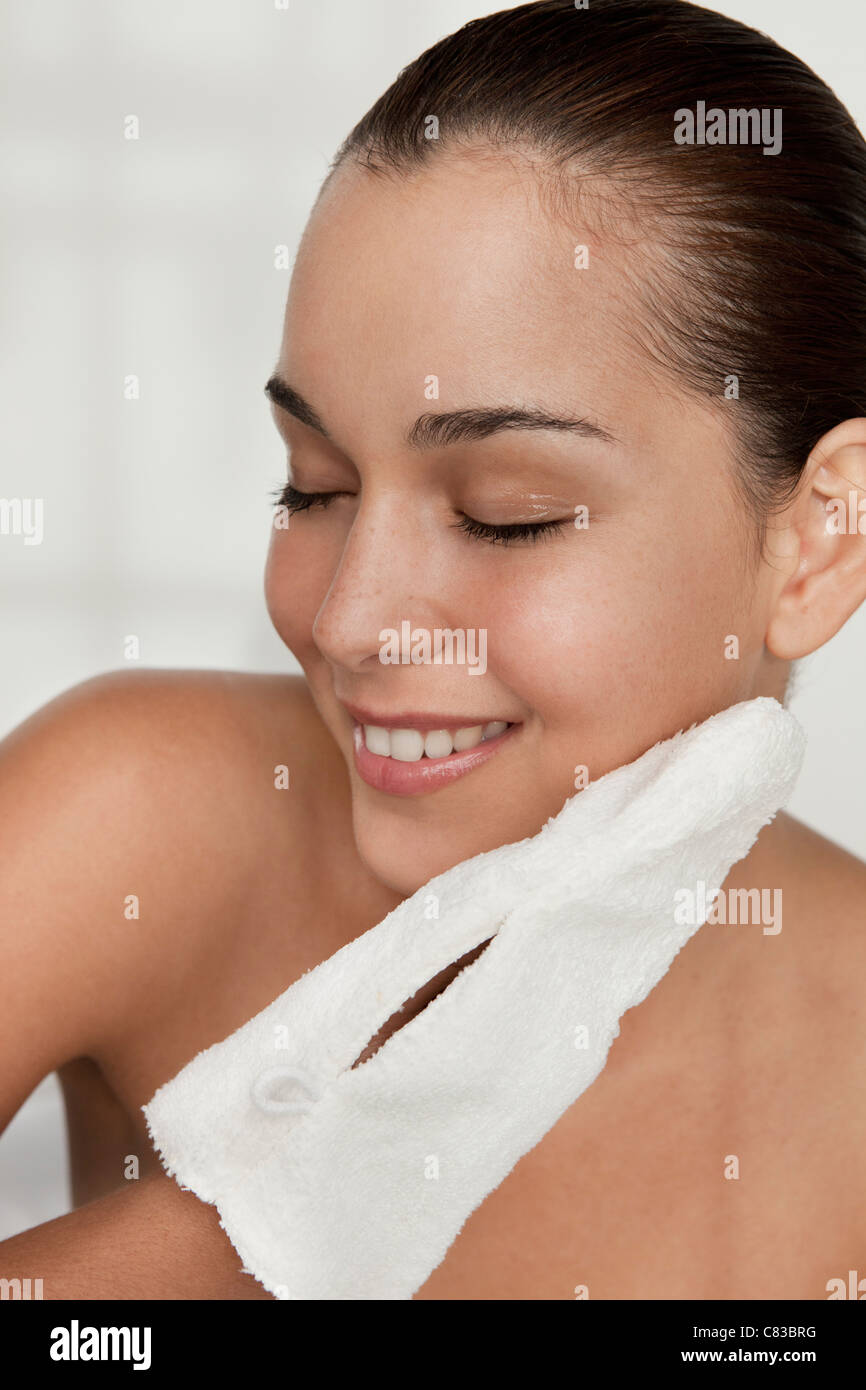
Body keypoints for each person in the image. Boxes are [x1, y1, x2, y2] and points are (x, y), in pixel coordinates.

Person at [2, 0, 865, 1299]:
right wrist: (284, 1209)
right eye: (313, 485)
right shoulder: (145, 815)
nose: (349, 619)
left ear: (816, 544)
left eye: (500, 515)